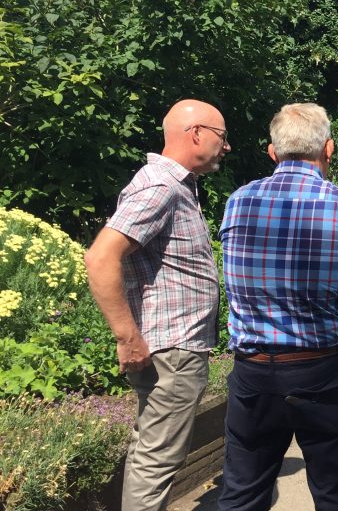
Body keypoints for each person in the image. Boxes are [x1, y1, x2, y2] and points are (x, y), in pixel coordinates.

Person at [217, 103, 338, 511]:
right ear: (329, 149)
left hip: (253, 372)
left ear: (273, 152)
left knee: (241, 495)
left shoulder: (237, 201)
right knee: (337, 495)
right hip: (320, 370)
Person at [84, 99, 230, 511]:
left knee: (154, 454)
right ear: (196, 133)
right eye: (222, 137)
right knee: (157, 460)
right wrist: (127, 337)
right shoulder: (161, 187)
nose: (226, 147)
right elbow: (100, 257)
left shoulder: (176, 185)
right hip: (172, 351)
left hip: (174, 348)